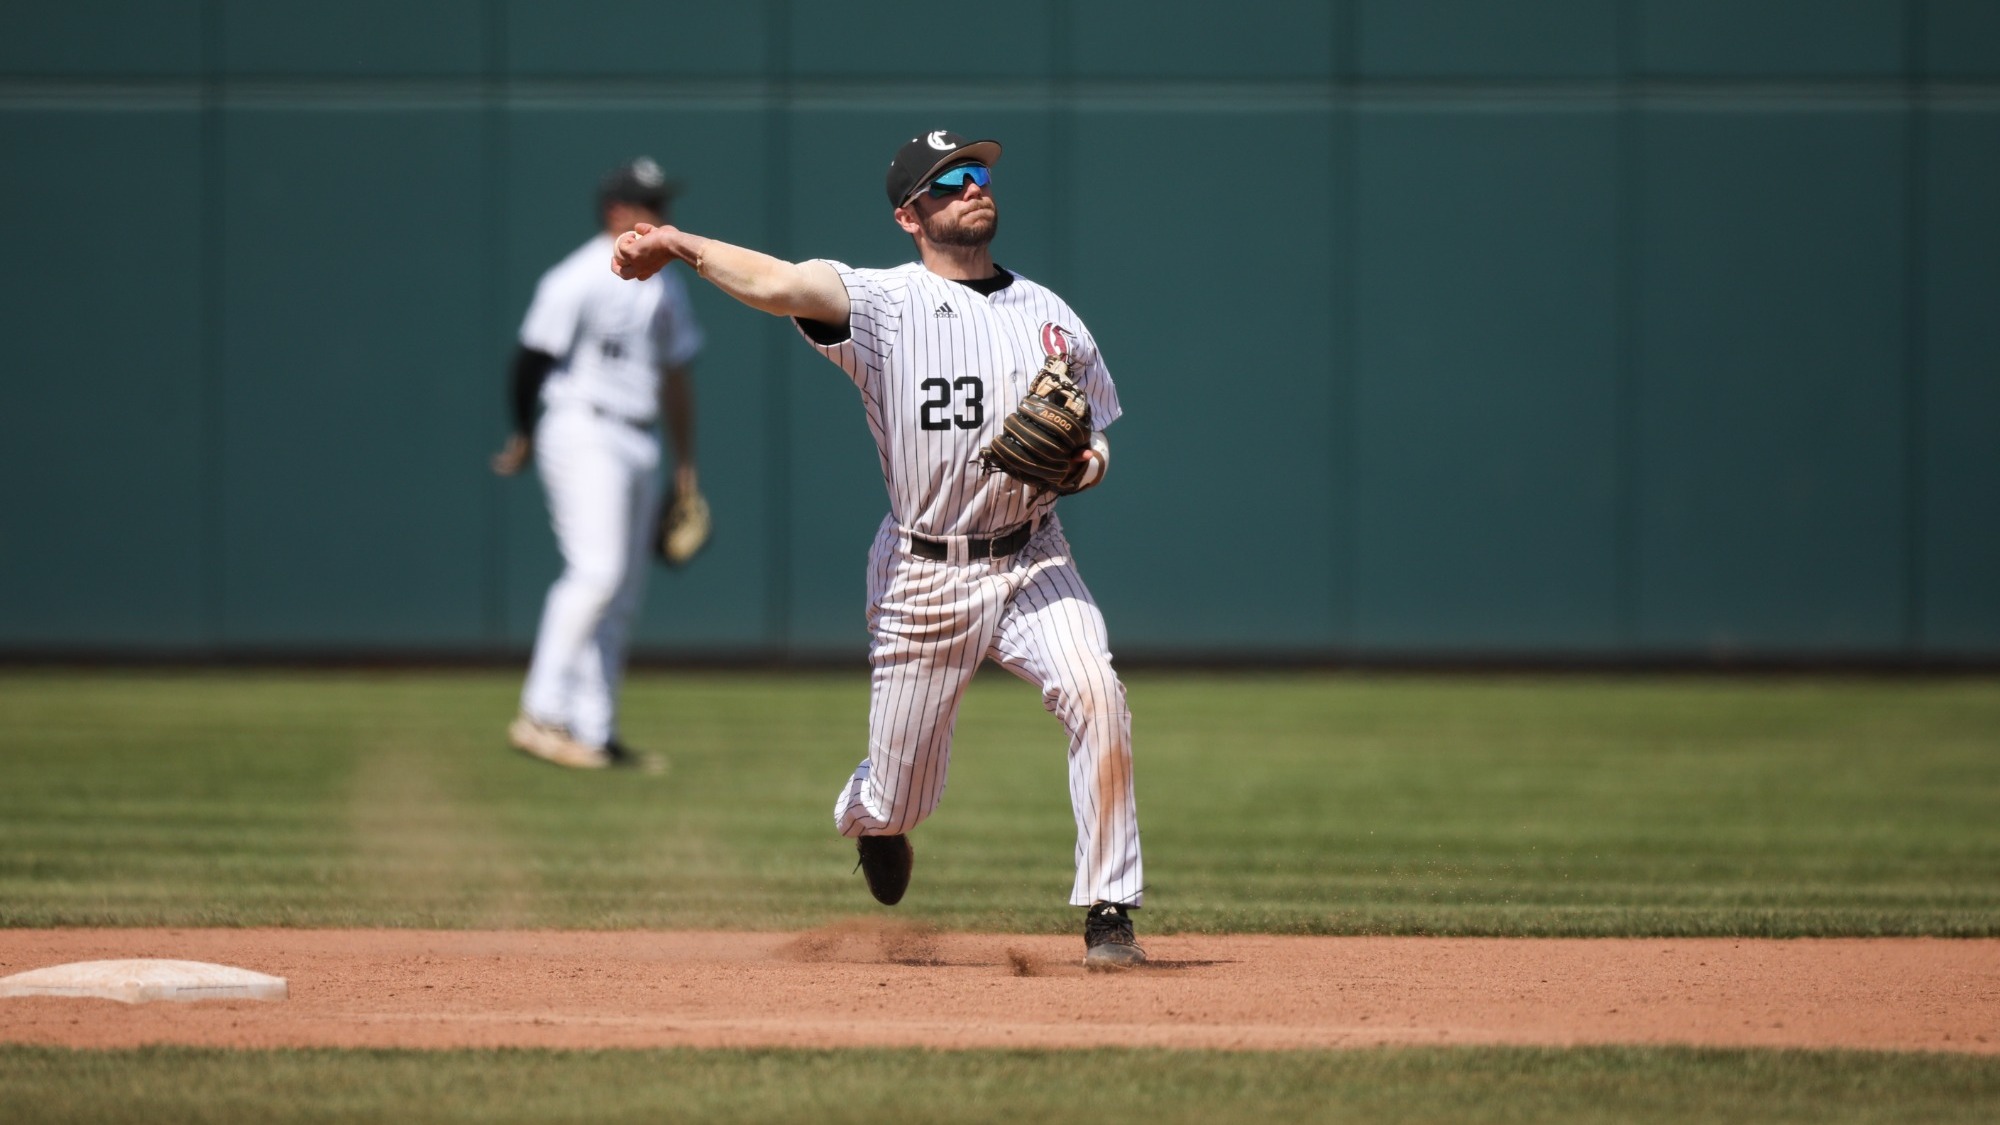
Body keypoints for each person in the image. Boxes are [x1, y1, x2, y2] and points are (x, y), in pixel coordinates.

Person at [610, 130, 1146, 968]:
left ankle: (1109, 911)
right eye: (949, 181)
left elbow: (1099, 431)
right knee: (901, 796)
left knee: (1096, 693)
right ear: (909, 215)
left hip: (1036, 555)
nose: (973, 186)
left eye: (979, 174)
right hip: (925, 573)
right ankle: (873, 818)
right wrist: (680, 244)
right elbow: (781, 282)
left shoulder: (1051, 315)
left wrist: (1088, 466)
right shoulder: (883, 305)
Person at [492, 156, 706, 771]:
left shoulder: (667, 281)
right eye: (651, 206)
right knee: (596, 573)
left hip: (639, 438)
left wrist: (686, 465)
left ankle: (594, 730)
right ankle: (540, 713)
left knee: (623, 590)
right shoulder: (579, 275)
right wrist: (524, 431)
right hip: (582, 426)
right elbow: (531, 359)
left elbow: (677, 377)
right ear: (617, 212)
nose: (664, 216)